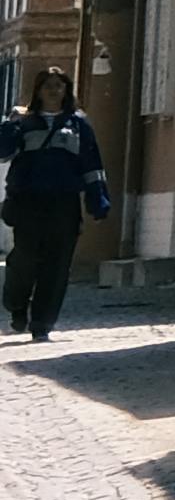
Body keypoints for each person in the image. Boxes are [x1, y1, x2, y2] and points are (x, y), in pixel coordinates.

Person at [0, 97, 111, 341]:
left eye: (59, 86)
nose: (54, 91)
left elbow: (91, 164)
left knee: (57, 266)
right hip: (28, 203)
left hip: (64, 204)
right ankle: (16, 303)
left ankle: (42, 323)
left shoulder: (78, 125)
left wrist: (97, 200)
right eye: (48, 86)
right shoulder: (25, 123)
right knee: (24, 260)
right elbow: (3, 152)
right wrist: (12, 124)